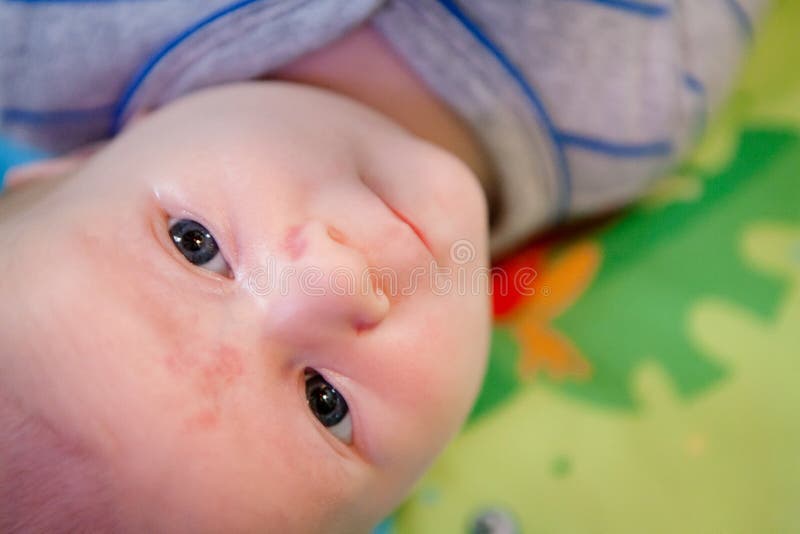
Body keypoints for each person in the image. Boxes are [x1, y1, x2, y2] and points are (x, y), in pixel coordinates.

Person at [0, 1, 766, 531]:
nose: (336, 280)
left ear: (62, 169)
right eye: (325, 402)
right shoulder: (643, 108)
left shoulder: (44, 47)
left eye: (195, 246)